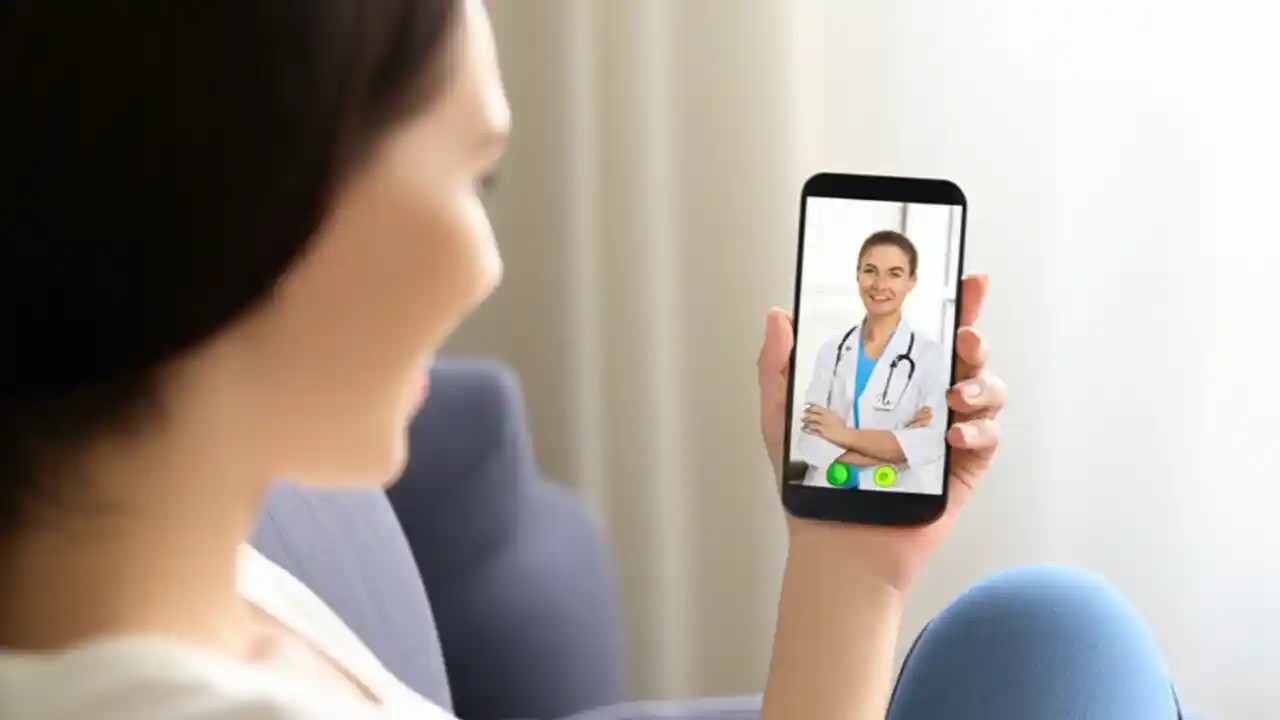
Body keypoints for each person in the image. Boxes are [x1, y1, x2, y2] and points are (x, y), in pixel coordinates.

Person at [0, 1, 1182, 718]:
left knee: (1043, 635)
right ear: (265, 198)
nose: (486, 267)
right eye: (477, 177)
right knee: (1059, 642)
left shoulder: (181, 576)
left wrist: (848, 567)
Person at [797, 230, 949, 493]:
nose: (880, 285)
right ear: (857, 275)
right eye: (870, 270)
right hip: (828, 493)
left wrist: (841, 434)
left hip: (898, 495)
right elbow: (810, 439)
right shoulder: (832, 350)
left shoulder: (930, 355)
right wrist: (896, 443)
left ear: (911, 281)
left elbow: (928, 444)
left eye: (894, 273)